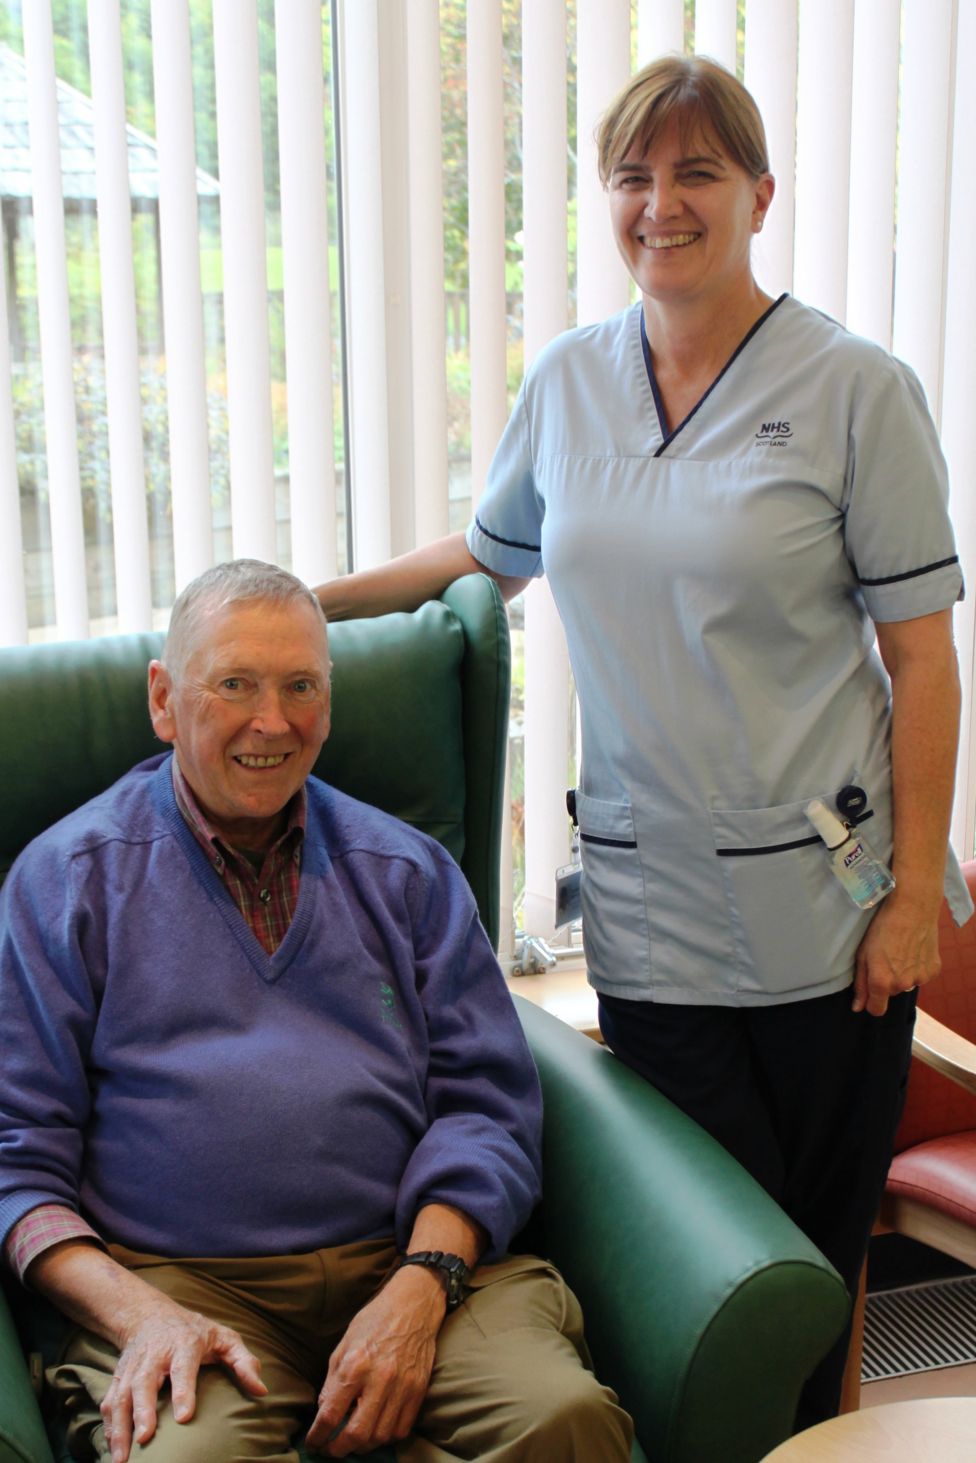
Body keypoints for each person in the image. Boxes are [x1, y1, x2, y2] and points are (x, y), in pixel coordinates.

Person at [314, 56, 973, 1426]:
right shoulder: (567, 381)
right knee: (708, 1263)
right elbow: (483, 557)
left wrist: (917, 894)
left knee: (813, 1242)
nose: (660, 203)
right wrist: (301, 601)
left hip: (834, 916)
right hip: (648, 904)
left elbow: (921, 654)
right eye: (633, 175)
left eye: (696, 172)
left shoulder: (858, 388)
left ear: (758, 195)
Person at [0, 560, 633, 1463]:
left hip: (412, 1261)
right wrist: (144, 1314)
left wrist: (424, 1281)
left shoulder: (407, 873)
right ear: (164, 700)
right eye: (235, 684)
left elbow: (487, 1105)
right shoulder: (66, 884)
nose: (273, 720)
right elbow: (15, 1156)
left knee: (563, 1424)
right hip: (184, 1283)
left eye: (302, 685)